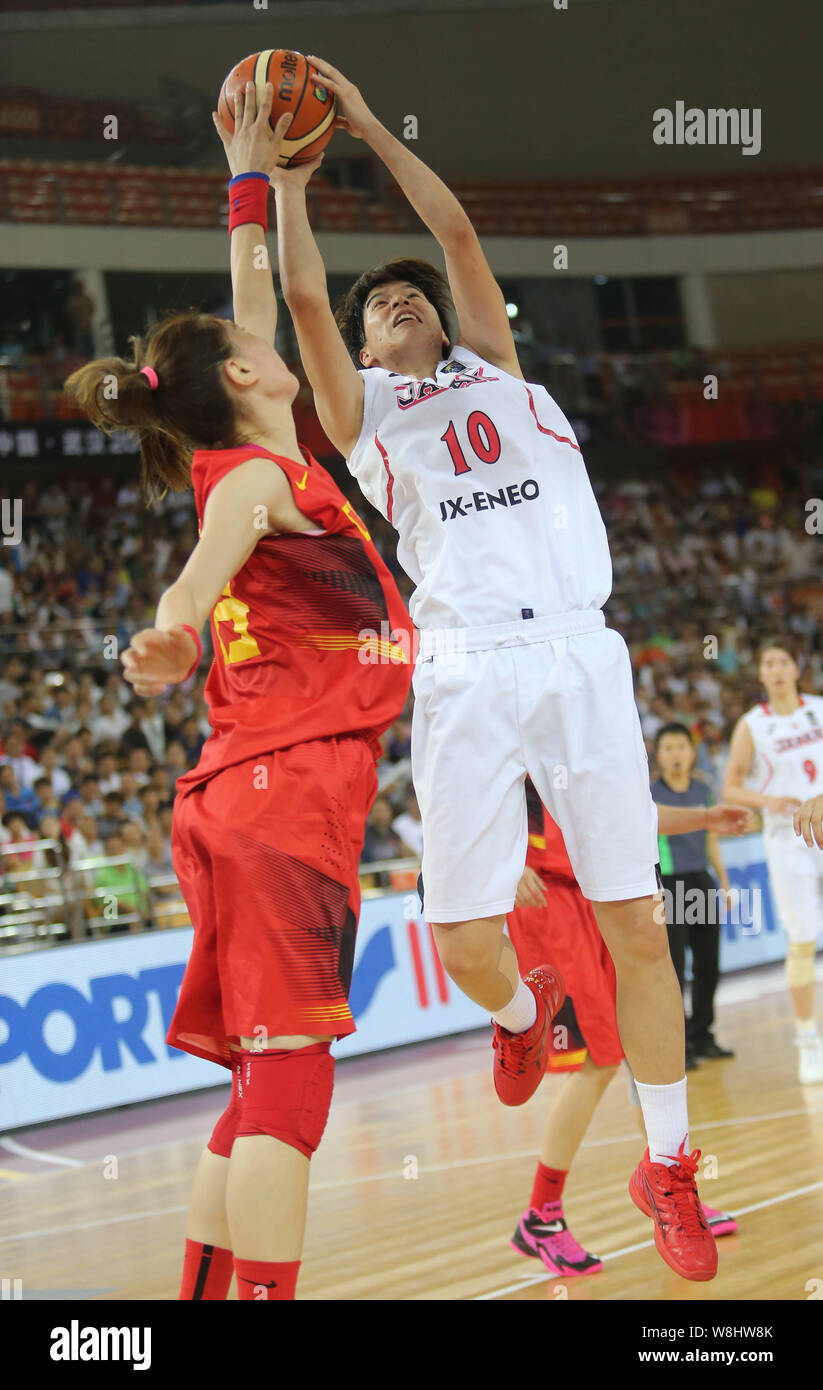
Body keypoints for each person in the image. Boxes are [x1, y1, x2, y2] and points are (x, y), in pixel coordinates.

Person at [271, 54, 716, 1279]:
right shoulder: (367, 416)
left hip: (577, 648)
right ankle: (525, 1020)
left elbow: (453, 228)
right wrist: (285, 184)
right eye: (383, 310)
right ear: (365, 350)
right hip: (463, 664)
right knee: (469, 944)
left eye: (415, 301)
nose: (401, 307)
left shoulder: (501, 375)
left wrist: (360, 119)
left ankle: (666, 1162)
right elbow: (305, 306)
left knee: (637, 918)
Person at [65, 82, 411, 1302]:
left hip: (246, 798)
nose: (259, 333)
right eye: (245, 340)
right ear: (246, 377)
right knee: (294, 1086)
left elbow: (251, 285)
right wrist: (165, 641)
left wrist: (248, 170)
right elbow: (191, 584)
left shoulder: (268, 450)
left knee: (258, 1083)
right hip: (277, 800)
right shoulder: (248, 486)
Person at [507, 780, 750, 1277]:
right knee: (600, 1059)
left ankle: (668, 1180)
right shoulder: (520, 720)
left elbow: (632, 810)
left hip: (605, 893)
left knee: (646, 1044)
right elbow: (471, 795)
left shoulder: (598, 729)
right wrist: (503, 863)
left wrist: (703, 819)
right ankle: (541, 1214)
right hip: (549, 900)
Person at [723, 639, 823, 1084]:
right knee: (801, 939)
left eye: (784, 661)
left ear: (796, 668)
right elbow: (730, 788)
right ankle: (808, 1041)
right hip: (787, 838)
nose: (777, 669)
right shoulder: (753, 725)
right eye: (769, 663)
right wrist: (769, 801)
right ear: (761, 674)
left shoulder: (818, 708)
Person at [652, 723, 735, 1069]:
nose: (675, 754)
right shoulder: (651, 794)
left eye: (681, 747)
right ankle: (680, 1046)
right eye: (668, 747)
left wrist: (725, 882)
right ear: (658, 755)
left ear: (692, 752)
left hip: (700, 881)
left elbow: (712, 839)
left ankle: (703, 1035)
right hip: (668, 885)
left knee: (708, 965)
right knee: (674, 970)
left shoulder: (703, 790)